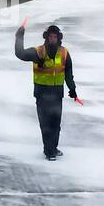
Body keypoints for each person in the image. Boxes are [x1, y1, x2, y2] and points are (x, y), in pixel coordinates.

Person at [14, 17, 83, 160]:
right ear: (46, 37)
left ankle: (53, 148)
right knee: (45, 126)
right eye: (50, 37)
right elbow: (20, 54)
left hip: (57, 95)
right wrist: (19, 37)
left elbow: (68, 73)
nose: (52, 39)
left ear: (59, 38)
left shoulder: (64, 53)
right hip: (42, 95)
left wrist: (72, 89)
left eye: (55, 37)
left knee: (55, 125)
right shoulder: (38, 52)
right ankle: (49, 152)